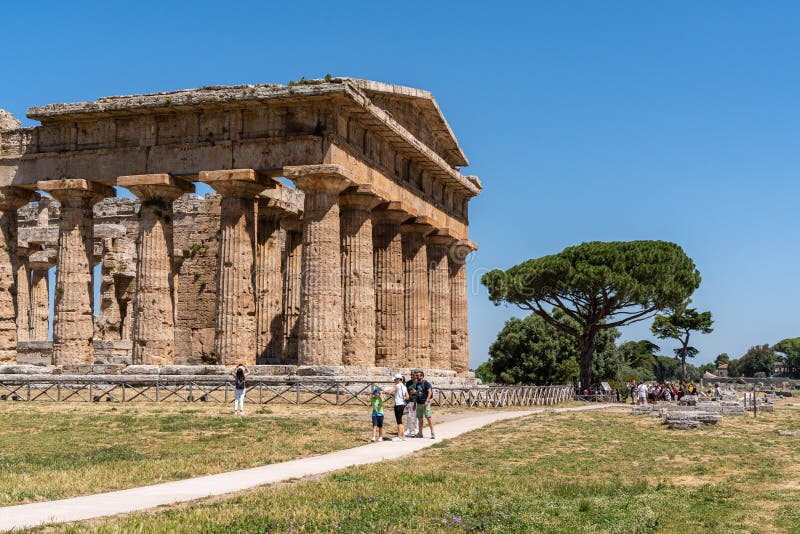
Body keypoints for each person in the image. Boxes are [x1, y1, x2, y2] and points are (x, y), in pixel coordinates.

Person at [384, 374, 409, 441]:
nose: (394, 381)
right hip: (403, 404)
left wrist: (384, 391)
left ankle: (399, 437)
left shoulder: (397, 386)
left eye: (395, 379)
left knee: (399, 422)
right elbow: (407, 397)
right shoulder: (404, 386)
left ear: (398, 379)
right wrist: (401, 397)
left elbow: (389, 392)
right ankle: (403, 436)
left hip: (398, 404)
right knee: (401, 421)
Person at [414, 371, 435, 439]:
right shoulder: (417, 384)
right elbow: (416, 394)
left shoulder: (426, 383)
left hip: (425, 403)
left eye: (418, 375)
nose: (416, 377)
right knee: (420, 419)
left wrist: (427, 401)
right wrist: (414, 404)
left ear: (422, 376)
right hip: (419, 403)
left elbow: (430, 392)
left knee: (428, 418)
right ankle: (420, 433)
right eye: (416, 375)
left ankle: (432, 433)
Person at [405, 371, 419, 437]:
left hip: (416, 401)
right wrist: (406, 402)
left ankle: (416, 430)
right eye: (411, 375)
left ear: (416, 376)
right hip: (409, 401)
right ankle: (408, 430)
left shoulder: (418, 383)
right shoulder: (408, 383)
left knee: (416, 416)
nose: (412, 376)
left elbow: (419, 392)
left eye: (413, 375)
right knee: (409, 416)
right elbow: (406, 392)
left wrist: (415, 402)